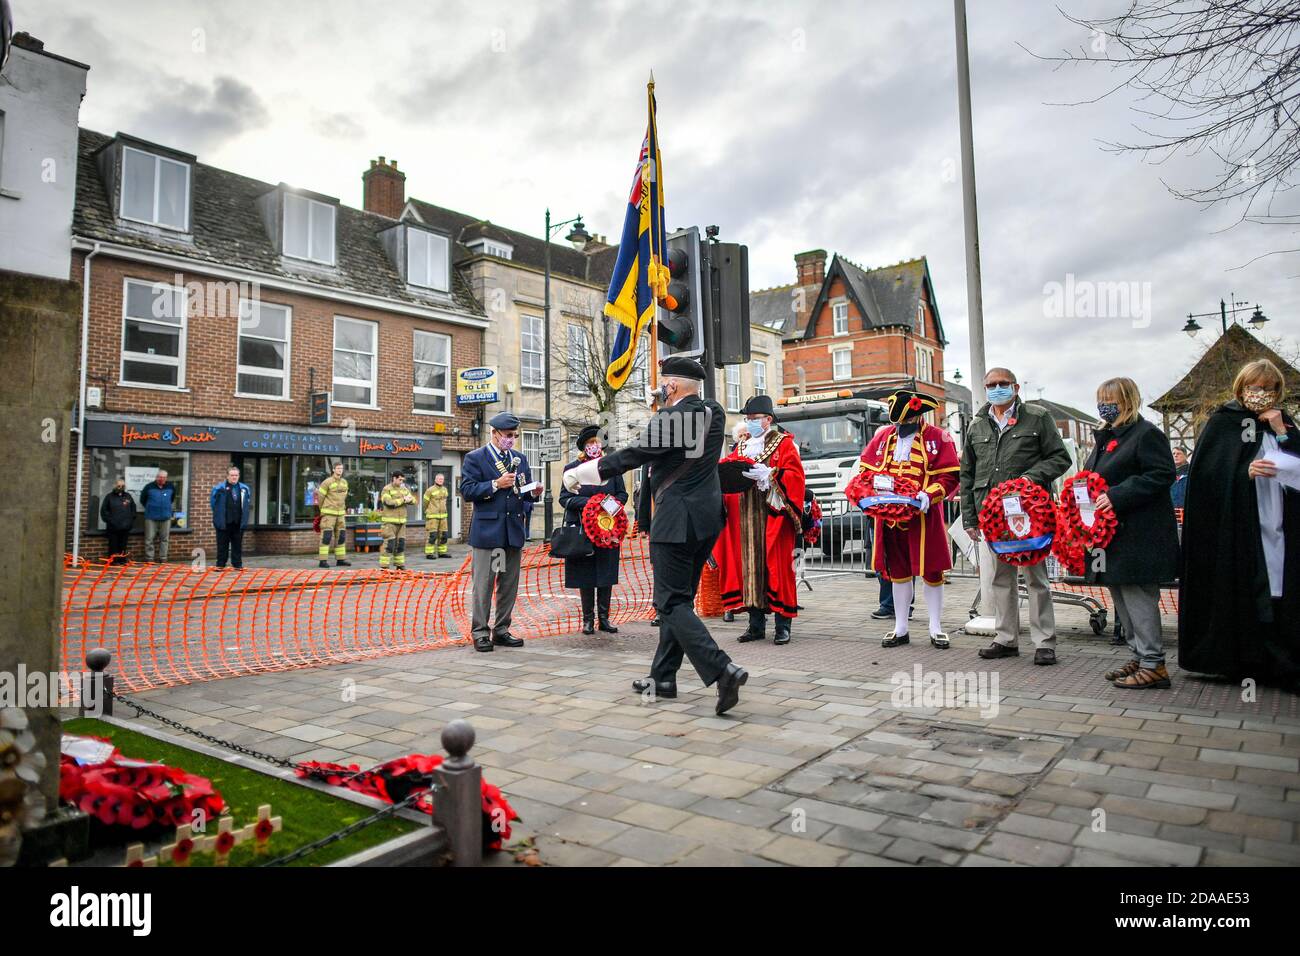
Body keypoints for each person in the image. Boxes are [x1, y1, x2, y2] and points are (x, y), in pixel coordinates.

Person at [564, 356, 748, 716]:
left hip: (676, 521)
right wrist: (665, 402)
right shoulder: (714, 413)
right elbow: (682, 426)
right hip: (707, 521)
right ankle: (662, 678)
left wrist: (587, 471)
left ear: (672, 386)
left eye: (664, 381)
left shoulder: (669, 418)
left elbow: (637, 453)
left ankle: (721, 669)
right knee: (680, 600)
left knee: (669, 603)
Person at [1179, 359, 1299, 689]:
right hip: (1241, 522)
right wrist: (1243, 473)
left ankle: (1282, 658)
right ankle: (1244, 658)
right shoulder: (1224, 422)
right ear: (1242, 387)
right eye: (1254, 387)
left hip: (1280, 518)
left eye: (1268, 388)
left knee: (1281, 586)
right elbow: (1208, 476)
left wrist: (1281, 432)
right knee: (1249, 586)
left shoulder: (1283, 423)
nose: (1260, 394)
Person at [960, 368, 1072, 664]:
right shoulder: (977, 425)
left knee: (1036, 580)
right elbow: (967, 475)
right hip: (992, 516)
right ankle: (1006, 638)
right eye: (991, 385)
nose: (997, 389)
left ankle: (1044, 641)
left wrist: (1030, 479)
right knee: (1000, 579)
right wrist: (970, 519)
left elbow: (1060, 458)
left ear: (1016, 387)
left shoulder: (1037, 417)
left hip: (1029, 515)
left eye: (1002, 384)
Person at [1083, 378, 1180, 689]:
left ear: (1127, 400)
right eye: (1100, 399)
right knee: (1121, 597)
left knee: (1139, 598)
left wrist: (1118, 495)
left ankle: (1154, 663)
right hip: (1112, 536)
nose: (1104, 405)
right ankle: (1140, 654)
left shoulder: (1146, 434)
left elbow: (1162, 474)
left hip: (1139, 533)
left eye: (1109, 399)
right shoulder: (1106, 436)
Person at [854, 390, 960, 649]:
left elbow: (950, 476)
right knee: (897, 571)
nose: (899, 427)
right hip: (889, 516)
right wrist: (868, 493)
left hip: (923, 515)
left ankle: (935, 627)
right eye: (897, 423)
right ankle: (900, 627)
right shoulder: (883, 437)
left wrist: (930, 494)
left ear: (917, 416)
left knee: (932, 570)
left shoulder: (938, 437)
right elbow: (866, 470)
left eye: (905, 422)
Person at [718, 395, 806, 645]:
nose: (750, 423)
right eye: (748, 419)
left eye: (754, 419)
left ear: (768, 420)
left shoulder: (784, 444)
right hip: (745, 517)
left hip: (773, 516)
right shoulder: (742, 445)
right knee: (750, 570)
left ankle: (782, 625)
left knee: (777, 568)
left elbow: (797, 477)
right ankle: (755, 625)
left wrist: (772, 474)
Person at [461, 412, 541, 652]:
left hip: (512, 532)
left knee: (508, 585)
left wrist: (532, 495)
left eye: (514, 435)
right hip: (488, 533)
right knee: (483, 585)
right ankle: (480, 632)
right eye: (507, 435)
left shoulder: (519, 459)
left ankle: (502, 629)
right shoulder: (476, 458)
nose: (511, 439)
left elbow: (522, 492)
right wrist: (495, 484)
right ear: (494, 434)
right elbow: (467, 490)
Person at [559, 424, 629, 634]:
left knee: (605, 572)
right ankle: (588, 619)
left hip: (608, 529)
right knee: (586, 573)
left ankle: (604, 618)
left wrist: (608, 505)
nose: (595, 446)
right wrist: (590, 505)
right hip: (583, 529)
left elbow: (622, 495)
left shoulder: (611, 468)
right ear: (584, 446)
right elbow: (565, 498)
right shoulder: (572, 469)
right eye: (591, 442)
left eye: (597, 442)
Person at [718, 420, 748, 624]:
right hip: (733, 521)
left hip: (751, 520)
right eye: (743, 435)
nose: (746, 438)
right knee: (731, 563)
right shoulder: (728, 462)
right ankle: (730, 605)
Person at [210, 466, 252, 570]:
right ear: (227, 476)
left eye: (236, 475)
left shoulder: (244, 488)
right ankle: (220, 564)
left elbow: (246, 503)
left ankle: (237, 564)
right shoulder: (219, 488)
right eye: (232, 475)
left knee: (237, 545)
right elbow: (213, 504)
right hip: (224, 521)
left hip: (238, 522)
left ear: (239, 476)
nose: (234, 477)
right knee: (222, 545)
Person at [315, 462, 352, 568]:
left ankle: (340, 559)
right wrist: (323, 510)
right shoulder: (327, 482)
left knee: (341, 537)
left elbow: (344, 498)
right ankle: (322, 561)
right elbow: (320, 497)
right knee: (326, 537)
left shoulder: (345, 482)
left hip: (340, 514)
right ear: (333, 470)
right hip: (328, 515)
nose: (340, 470)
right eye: (338, 468)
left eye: (341, 468)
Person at [378, 471, 416, 571]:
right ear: (394, 478)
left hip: (401, 522)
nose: (401, 482)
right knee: (389, 544)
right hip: (389, 522)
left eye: (402, 480)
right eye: (400, 480)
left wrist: (409, 500)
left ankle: (399, 565)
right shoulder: (386, 489)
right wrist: (403, 500)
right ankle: (384, 567)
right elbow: (389, 502)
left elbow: (414, 500)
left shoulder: (404, 489)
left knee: (400, 544)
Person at [139, 469, 176, 562]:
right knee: (149, 539)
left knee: (164, 539)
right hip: (151, 517)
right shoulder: (149, 487)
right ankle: (149, 558)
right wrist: (151, 507)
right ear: (156, 477)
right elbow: (142, 500)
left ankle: (163, 558)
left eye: (164, 477)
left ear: (166, 478)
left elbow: (171, 499)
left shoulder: (171, 487)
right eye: (160, 477)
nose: (162, 479)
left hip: (166, 517)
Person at [100, 478, 136, 563]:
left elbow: (133, 509)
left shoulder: (128, 496)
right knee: (113, 546)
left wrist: (130, 521)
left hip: (125, 526)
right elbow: (104, 511)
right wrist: (110, 521)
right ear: (115, 486)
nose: (120, 487)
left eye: (122, 486)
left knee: (123, 546)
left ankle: (122, 560)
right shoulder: (109, 497)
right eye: (119, 485)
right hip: (113, 527)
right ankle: (113, 561)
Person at [422, 473, 451, 560]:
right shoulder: (429, 490)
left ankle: (442, 552)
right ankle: (429, 553)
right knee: (432, 535)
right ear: (435, 480)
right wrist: (428, 511)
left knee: (444, 535)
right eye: (439, 479)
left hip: (443, 517)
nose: (440, 481)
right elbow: (425, 503)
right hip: (432, 517)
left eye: (442, 479)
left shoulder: (445, 490)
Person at [1170, 445, 1190, 510]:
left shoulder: (1191, 473)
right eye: (1173, 454)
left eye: (1179, 453)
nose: (1175, 455)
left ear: (1186, 456)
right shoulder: (1168, 474)